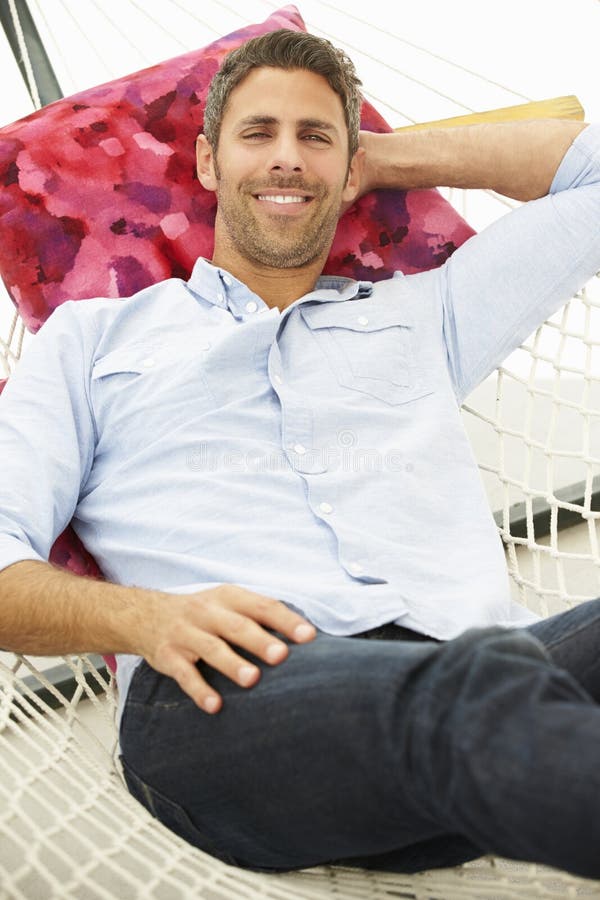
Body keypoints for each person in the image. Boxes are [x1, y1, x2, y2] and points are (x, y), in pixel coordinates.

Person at [1, 26, 600, 880]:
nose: (287, 159)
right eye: (258, 135)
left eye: (313, 137)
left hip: (482, 708)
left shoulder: (423, 316)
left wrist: (376, 157)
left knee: (481, 681)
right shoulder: (93, 341)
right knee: (473, 689)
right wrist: (141, 619)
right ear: (206, 162)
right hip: (231, 701)